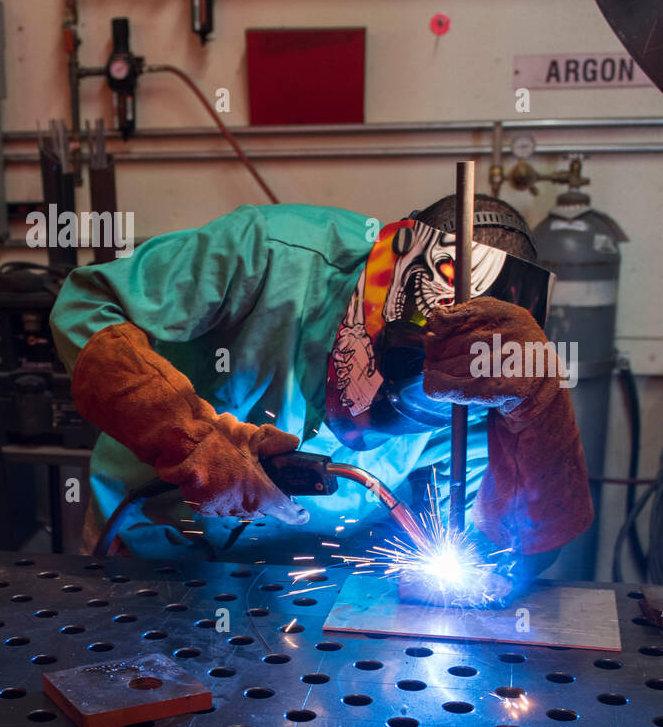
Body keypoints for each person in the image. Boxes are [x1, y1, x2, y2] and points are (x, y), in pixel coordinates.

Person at [49, 194, 593, 597]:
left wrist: (538, 407)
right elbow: (84, 306)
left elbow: (516, 552)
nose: (400, 414)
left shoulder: (478, 389)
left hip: (308, 589)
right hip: (148, 547)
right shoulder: (266, 252)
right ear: (377, 288)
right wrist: (188, 438)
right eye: (398, 365)